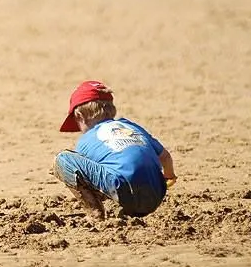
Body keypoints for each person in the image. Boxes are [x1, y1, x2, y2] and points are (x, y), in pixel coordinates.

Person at [52, 81, 177, 220]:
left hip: (124, 191)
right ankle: (123, 208)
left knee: (63, 160)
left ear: (80, 116)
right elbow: (165, 157)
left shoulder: (86, 140)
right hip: (156, 194)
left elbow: (88, 180)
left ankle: (95, 213)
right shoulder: (130, 126)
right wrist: (169, 177)